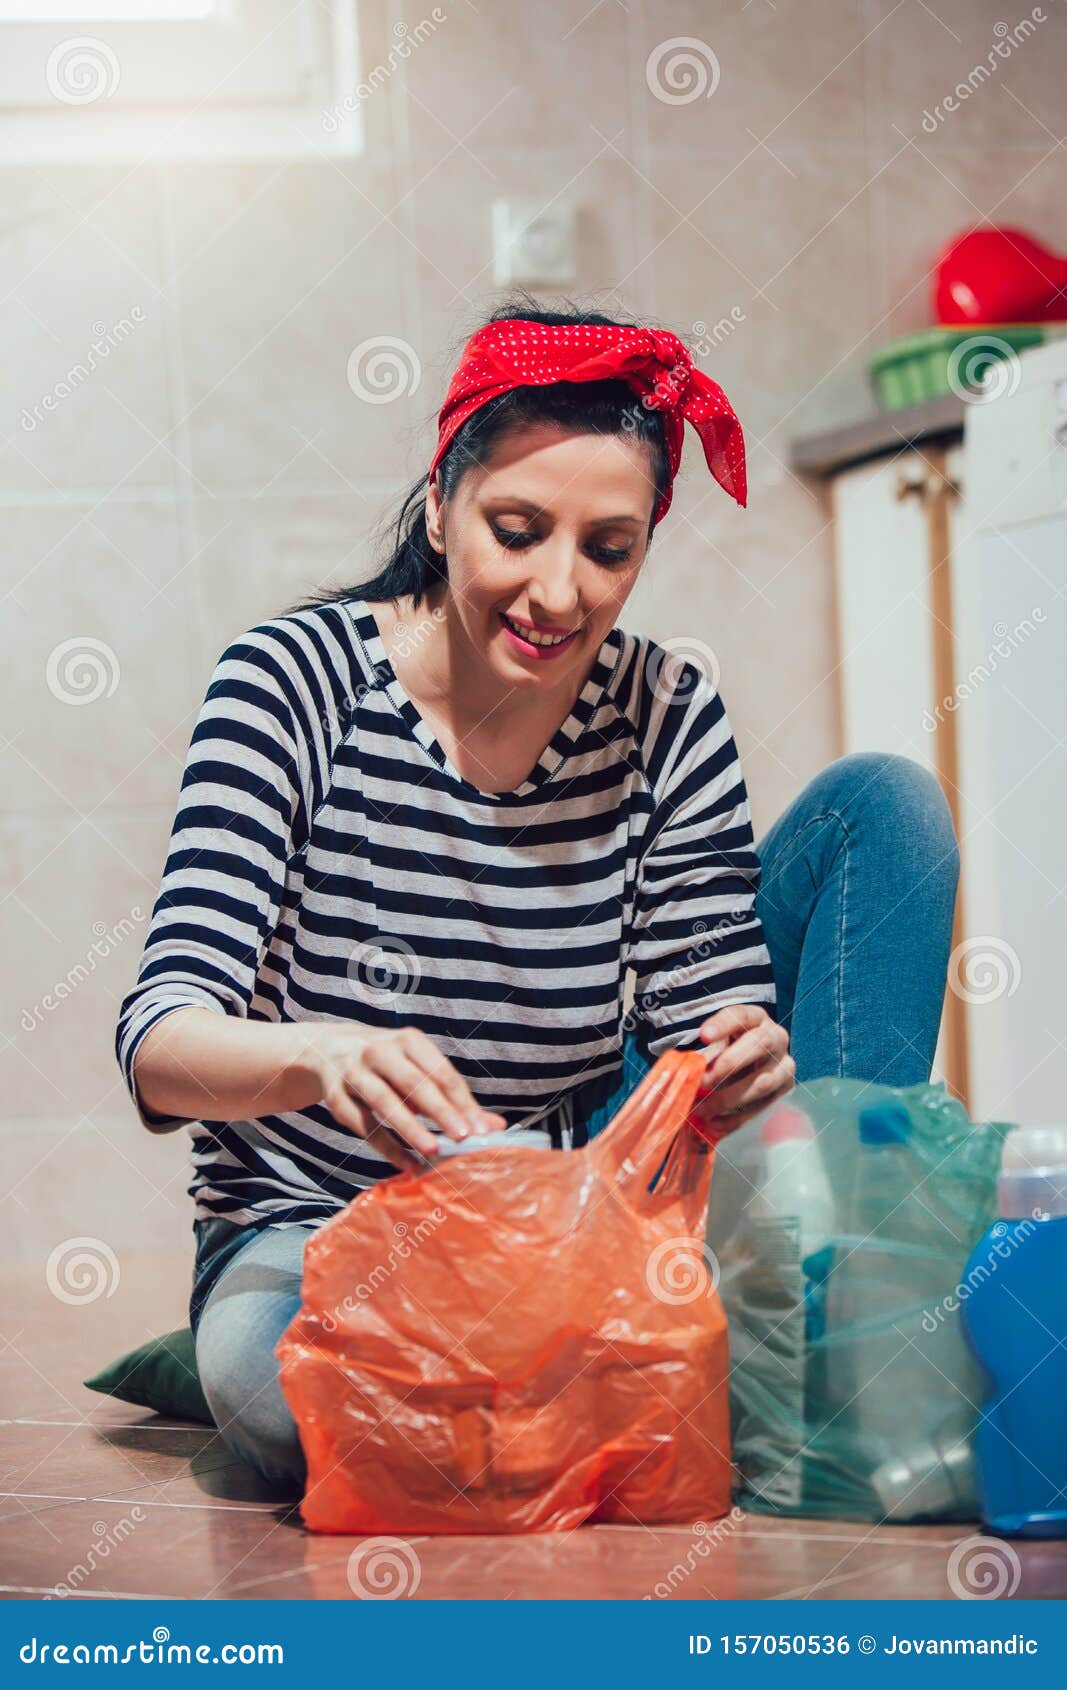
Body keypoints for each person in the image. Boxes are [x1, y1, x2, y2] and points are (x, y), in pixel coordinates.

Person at [114, 300, 959, 1495]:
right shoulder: (289, 683)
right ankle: (722, 1378)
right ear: (438, 504)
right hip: (324, 1223)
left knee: (887, 808)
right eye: (516, 529)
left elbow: (694, 1033)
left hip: (579, 1202)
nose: (557, 592)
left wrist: (737, 1063)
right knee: (275, 1393)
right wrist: (325, 1057)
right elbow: (159, 1043)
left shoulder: (663, 713)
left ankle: (823, 1292)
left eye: (607, 549)